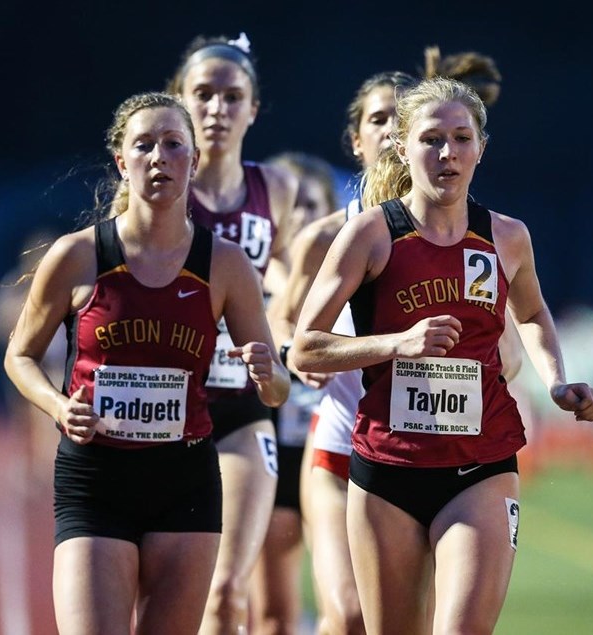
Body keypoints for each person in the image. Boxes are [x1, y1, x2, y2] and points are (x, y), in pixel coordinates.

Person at [291, 77, 593, 634]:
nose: (447, 153)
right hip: (387, 468)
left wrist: (557, 379)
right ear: (403, 145)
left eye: (461, 138)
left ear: (481, 147)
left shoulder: (506, 237)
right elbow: (305, 349)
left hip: (479, 466)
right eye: (432, 138)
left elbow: (531, 314)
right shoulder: (370, 234)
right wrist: (397, 343)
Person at [3, 91, 290, 635]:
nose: (159, 157)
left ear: (194, 160)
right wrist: (59, 407)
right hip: (97, 478)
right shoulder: (77, 255)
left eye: (173, 145)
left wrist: (268, 372)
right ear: (122, 161)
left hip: (184, 482)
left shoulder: (225, 264)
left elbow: (276, 392)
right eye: (144, 145)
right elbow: (19, 356)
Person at [268, 69, 416, 635]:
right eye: (379, 119)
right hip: (336, 451)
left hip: (424, 458)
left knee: (405, 622)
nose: (391, 130)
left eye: (404, 118)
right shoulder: (324, 238)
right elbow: (287, 321)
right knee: (350, 613)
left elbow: (506, 348)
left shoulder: (465, 242)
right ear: (356, 140)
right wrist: (296, 356)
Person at [165, 32, 299, 634]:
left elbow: (293, 284)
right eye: (203, 94)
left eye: (231, 95)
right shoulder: (158, 185)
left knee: (226, 590)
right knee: (167, 596)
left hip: (243, 409)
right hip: (165, 410)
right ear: (180, 99)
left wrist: (292, 340)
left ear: (253, 108)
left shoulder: (278, 189)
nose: (217, 108)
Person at [249, 151, 337, 634]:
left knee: (343, 611)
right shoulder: (247, 280)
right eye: (293, 205)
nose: (302, 217)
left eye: (313, 205)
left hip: (335, 451)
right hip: (272, 452)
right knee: (272, 615)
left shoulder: (355, 277)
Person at [0, 227, 65, 487]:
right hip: (26, 362)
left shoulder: (69, 281)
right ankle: (25, 466)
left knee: (49, 420)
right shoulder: (16, 284)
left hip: (57, 364)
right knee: (22, 419)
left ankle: (47, 469)